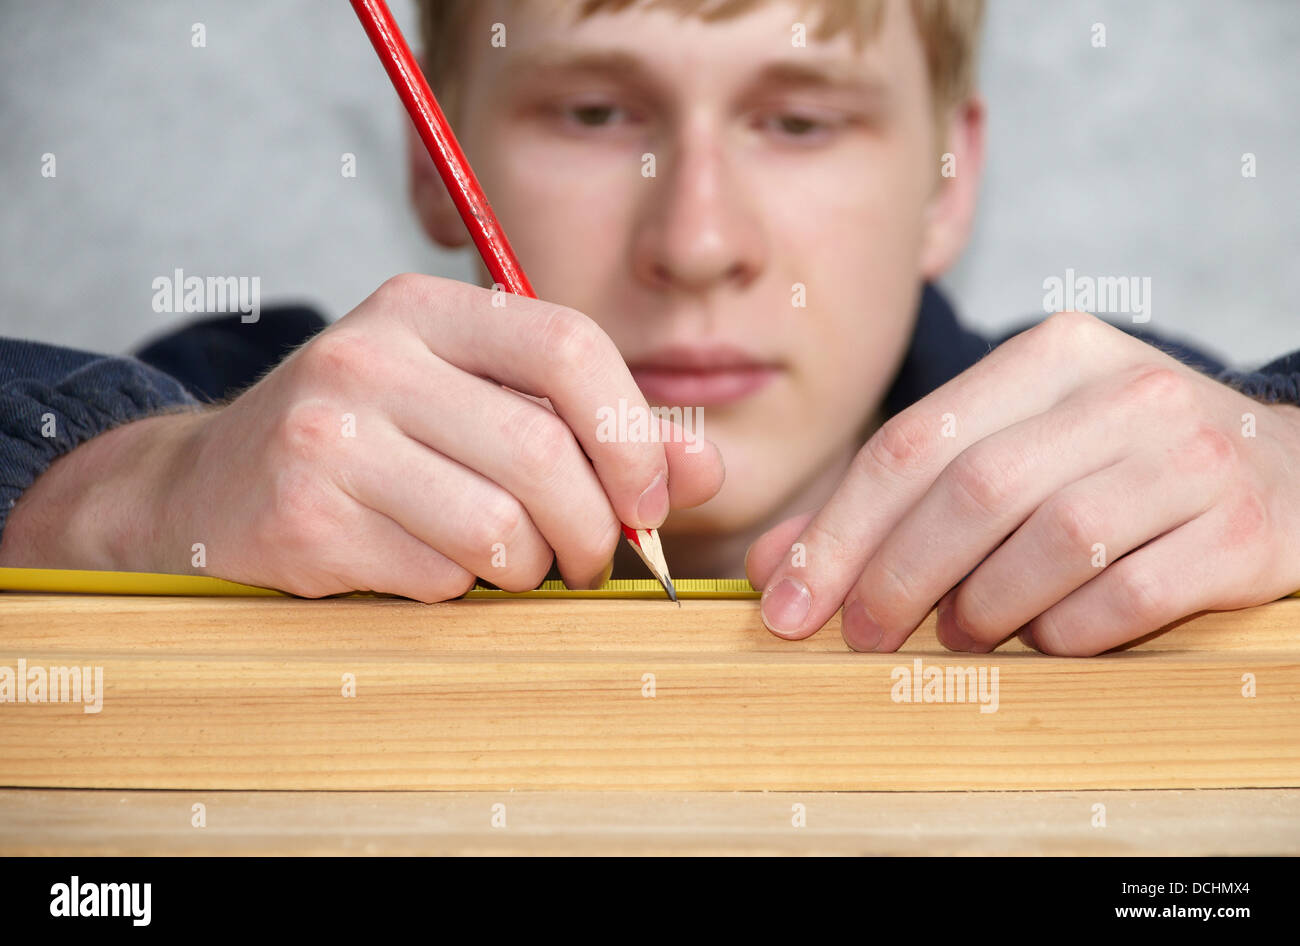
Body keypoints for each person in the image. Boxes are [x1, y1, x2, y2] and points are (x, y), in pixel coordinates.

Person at [2, 0, 1298, 658]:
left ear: (947, 184)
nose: (692, 241)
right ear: (431, 158)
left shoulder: (1138, 453)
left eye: (800, 123)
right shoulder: (246, 425)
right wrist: (126, 493)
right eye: (593, 115)